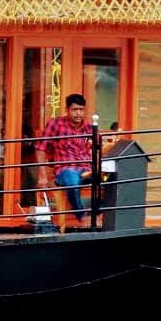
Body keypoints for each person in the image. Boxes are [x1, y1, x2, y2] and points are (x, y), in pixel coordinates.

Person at [35, 93, 116, 226]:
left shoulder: (89, 127)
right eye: (74, 110)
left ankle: (99, 214)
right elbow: (40, 148)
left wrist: (108, 145)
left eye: (81, 110)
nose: (78, 113)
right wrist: (42, 175)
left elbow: (100, 149)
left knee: (111, 177)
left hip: (87, 170)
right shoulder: (56, 124)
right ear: (67, 110)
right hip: (66, 169)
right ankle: (82, 217)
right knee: (72, 180)